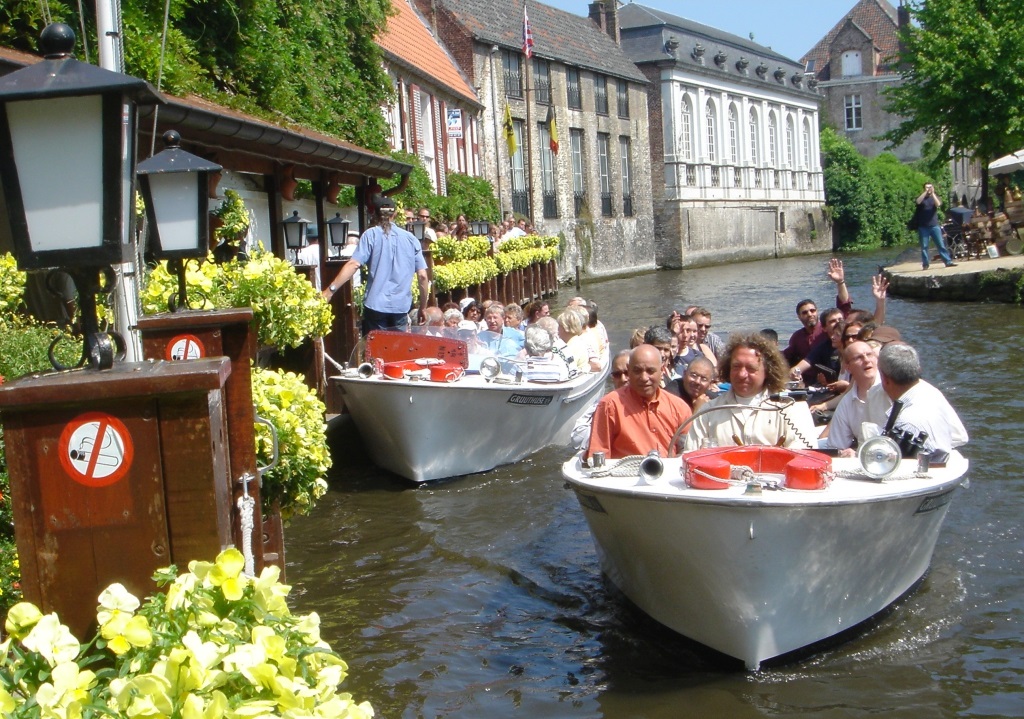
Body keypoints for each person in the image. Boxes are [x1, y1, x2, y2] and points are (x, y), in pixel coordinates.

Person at [685, 332, 818, 451]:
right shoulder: (708, 411)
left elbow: (806, 457)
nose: (742, 374)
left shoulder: (793, 406)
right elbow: (690, 456)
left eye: (751, 368)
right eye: (736, 366)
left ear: (767, 370)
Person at [322, 196, 429, 334]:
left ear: (375, 214)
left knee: (376, 352)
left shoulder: (370, 235)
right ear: (395, 214)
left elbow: (354, 264)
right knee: (396, 351)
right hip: (400, 307)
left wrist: (330, 291)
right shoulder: (411, 239)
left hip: (375, 305)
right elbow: (423, 276)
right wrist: (423, 307)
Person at [586, 345, 692, 461]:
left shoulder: (680, 408)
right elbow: (597, 457)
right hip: (624, 476)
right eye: (637, 371)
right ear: (629, 371)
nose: (644, 377)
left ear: (662, 371)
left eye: (650, 371)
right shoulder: (610, 405)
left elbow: (688, 454)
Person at [873, 342, 968, 462]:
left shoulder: (906, 423)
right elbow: (960, 437)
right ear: (918, 370)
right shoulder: (932, 393)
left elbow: (891, 465)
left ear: (885, 379)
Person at [824, 340, 886, 454]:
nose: (866, 360)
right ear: (848, 367)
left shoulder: (890, 391)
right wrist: (848, 454)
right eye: (858, 358)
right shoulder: (847, 403)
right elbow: (836, 447)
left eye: (869, 355)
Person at [571, 349, 631, 451]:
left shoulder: (658, 401)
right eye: (617, 374)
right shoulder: (604, 404)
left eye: (627, 373)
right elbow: (577, 437)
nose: (623, 379)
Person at [915, 182, 956, 269]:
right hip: (923, 226)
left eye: (930, 187)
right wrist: (925, 192)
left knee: (940, 244)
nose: (928, 189)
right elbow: (918, 202)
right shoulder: (921, 198)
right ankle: (925, 264)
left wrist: (933, 193)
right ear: (924, 188)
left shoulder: (935, 197)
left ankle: (947, 261)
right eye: (926, 187)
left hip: (934, 225)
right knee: (924, 246)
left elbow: (938, 204)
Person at [296, 225, 322, 290]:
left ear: (307, 239)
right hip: (323, 288)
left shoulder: (301, 252)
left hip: (308, 290)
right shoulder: (326, 251)